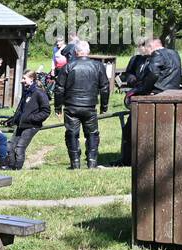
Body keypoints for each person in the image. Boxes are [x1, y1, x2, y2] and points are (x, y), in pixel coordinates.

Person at [54, 41, 109, 169]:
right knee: (92, 134)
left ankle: (75, 163)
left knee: (72, 134)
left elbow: (59, 89)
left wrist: (58, 107)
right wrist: (104, 106)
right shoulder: (98, 66)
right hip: (90, 106)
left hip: (71, 106)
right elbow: (105, 88)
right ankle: (91, 163)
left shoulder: (68, 66)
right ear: (88, 52)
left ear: (75, 52)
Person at [6, 69, 49, 170]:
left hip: (32, 125)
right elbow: (21, 110)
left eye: (24, 78)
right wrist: (14, 119)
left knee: (19, 148)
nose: (22, 81)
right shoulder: (27, 91)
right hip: (22, 124)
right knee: (10, 147)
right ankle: (11, 168)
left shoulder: (39, 92)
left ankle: (17, 169)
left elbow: (46, 111)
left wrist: (32, 119)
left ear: (32, 79)